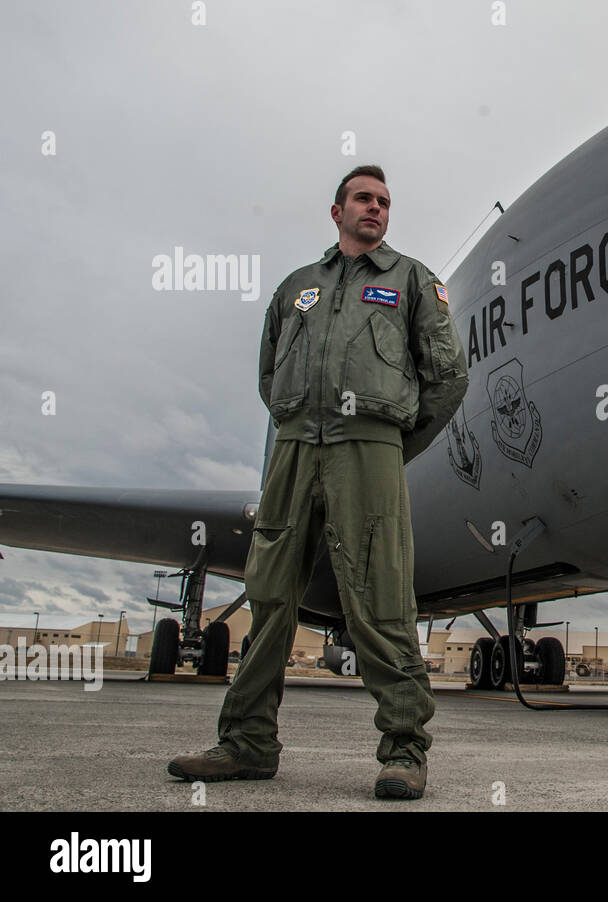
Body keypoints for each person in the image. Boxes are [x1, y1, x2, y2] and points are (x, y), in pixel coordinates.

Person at [168, 165, 469, 799]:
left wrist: (389, 446)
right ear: (336, 212)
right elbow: (269, 375)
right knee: (271, 594)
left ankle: (405, 750)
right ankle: (246, 744)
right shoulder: (296, 290)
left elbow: (448, 379)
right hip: (296, 451)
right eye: (364, 199)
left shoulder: (413, 281)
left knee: (380, 598)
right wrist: (301, 424)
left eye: (385, 202)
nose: (376, 209)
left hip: (370, 450)